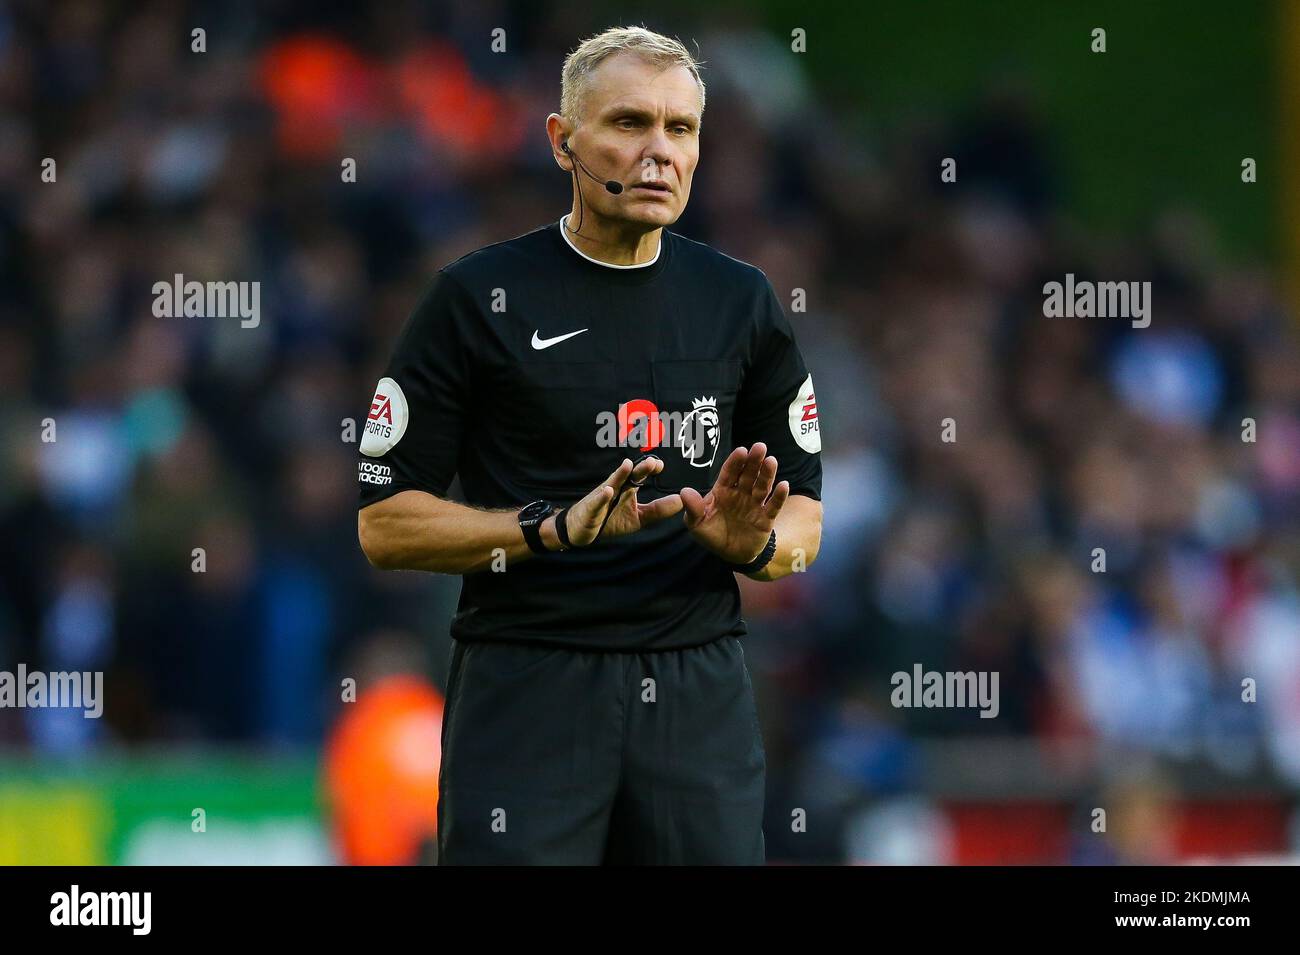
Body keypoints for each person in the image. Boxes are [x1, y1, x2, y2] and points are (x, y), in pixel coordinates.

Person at [357, 25, 823, 864]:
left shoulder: (740, 303)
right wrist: (546, 528)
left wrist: (755, 545)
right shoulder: (476, 299)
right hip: (528, 682)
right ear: (562, 141)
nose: (658, 152)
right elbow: (383, 524)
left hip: (696, 691)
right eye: (629, 124)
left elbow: (806, 526)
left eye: (680, 130)